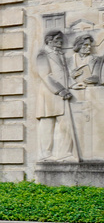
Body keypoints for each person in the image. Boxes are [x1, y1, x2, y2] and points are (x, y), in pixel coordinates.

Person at [35, 30, 75, 161]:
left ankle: (64, 153)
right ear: (49, 40)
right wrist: (61, 90)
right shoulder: (43, 54)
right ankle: (45, 154)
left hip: (63, 94)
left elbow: (66, 75)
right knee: (47, 124)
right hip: (49, 94)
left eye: (61, 40)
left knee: (66, 124)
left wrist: (73, 85)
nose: (61, 42)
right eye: (58, 39)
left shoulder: (60, 54)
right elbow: (45, 75)